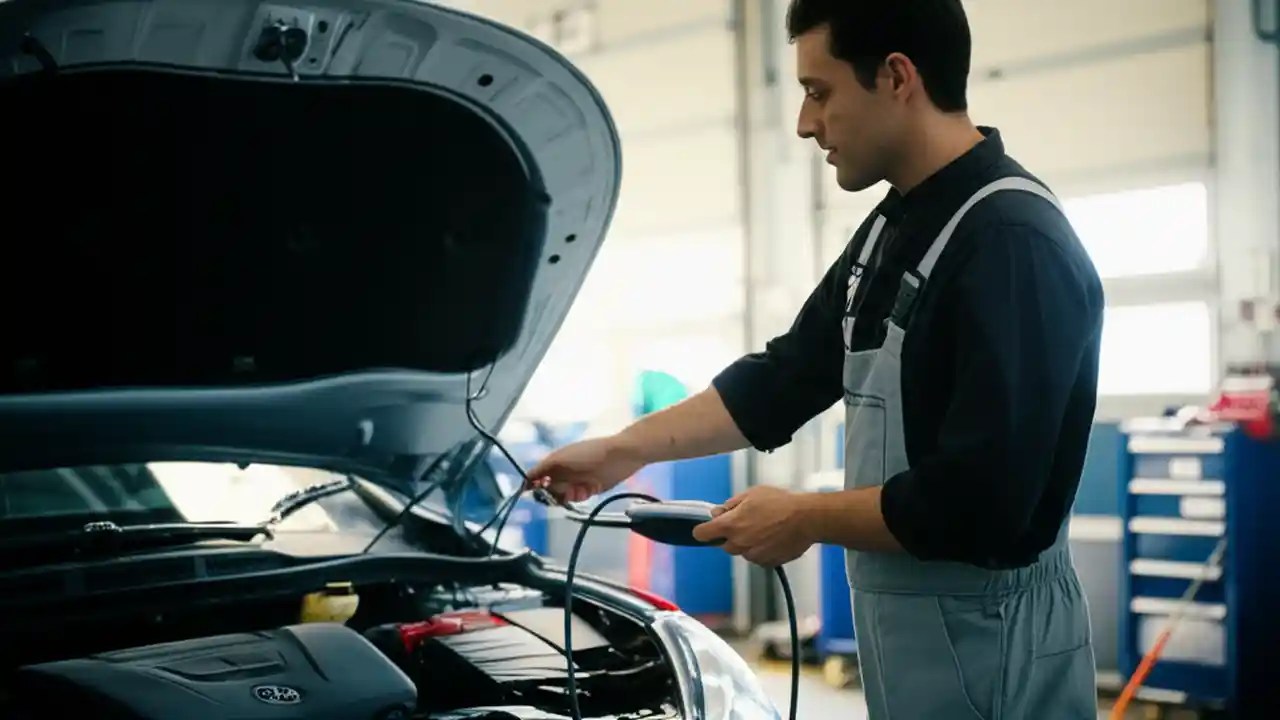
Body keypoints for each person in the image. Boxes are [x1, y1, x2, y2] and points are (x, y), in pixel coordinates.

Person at [528, 0, 1105, 717]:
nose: (805, 123)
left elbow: (983, 503)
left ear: (897, 77)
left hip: (999, 642)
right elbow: (785, 378)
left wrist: (804, 517)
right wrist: (621, 450)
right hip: (916, 639)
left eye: (818, 91)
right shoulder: (892, 230)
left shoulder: (1012, 243)